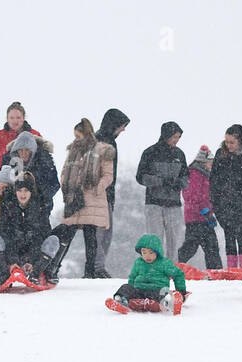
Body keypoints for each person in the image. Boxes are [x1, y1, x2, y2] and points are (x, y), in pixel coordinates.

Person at [53, 117, 114, 280]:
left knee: (90, 235)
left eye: (79, 136)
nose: (76, 140)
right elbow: (65, 171)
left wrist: (96, 188)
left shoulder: (102, 150)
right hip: (74, 198)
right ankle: (54, 268)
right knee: (66, 234)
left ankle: (90, 272)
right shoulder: (73, 151)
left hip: (92, 199)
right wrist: (67, 187)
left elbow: (108, 176)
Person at [0, 172, 59, 286]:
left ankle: (36, 274)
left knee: (53, 239)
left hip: (33, 253)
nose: (22, 194)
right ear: (15, 192)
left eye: (26, 191)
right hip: (14, 251)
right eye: (19, 191)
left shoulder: (38, 208)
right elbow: (6, 236)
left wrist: (31, 261)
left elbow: (39, 237)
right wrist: (12, 261)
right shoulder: (9, 207)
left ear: (31, 192)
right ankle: (3, 274)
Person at [210, 125, 242, 267]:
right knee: (229, 238)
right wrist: (215, 203)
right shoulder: (221, 155)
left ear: (240, 141)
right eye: (227, 142)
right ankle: (232, 270)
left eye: (232, 142)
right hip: (224, 205)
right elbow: (214, 181)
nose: (229, 145)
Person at [136, 122, 188, 260]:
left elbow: (186, 177)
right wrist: (160, 181)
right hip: (154, 203)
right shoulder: (150, 152)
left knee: (174, 241)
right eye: (174, 137)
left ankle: (171, 268)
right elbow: (140, 177)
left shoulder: (180, 154)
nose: (176, 140)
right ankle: (154, 269)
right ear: (166, 135)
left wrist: (179, 183)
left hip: (174, 204)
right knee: (155, 240)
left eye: (179, 137)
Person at [105, 233, 187, 313]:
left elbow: (178, 274)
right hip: (140, 290)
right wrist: (130, 289)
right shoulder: (138, 262)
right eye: (144, 252)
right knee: (125, 288)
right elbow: (133, 277)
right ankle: (120, 301)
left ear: (157, 252)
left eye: (151, 252)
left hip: (157, 290)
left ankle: (173, 301)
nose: (147, 256)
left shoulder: (164, 263)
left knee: (163, 294)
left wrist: (181, 291)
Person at [93, 107, 130, 276]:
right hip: (99, 193)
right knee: (101, 232)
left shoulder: (109, 141)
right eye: (122, 126)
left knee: (106, 232)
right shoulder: (100, 141)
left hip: (107, 193)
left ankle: (98, 266)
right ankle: (96, 267)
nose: (123, 129)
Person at [0, 102, 41, 199]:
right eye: (12, 118)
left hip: (30, 192)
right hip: (5, 190)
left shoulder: (34, 136)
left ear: (24, 118)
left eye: (18, 118)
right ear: (7, 118)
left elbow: (43, 164)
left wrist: (39, 193)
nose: (15, 121)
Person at [176, 145, 222, 269]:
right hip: (195, 218)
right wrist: (205, 211)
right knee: (192, 246)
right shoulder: (194, 174)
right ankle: (178, 265)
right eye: (210, 162)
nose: (212, 165)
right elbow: (192, 197)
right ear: (203, 162)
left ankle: (215, 271)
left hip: (204, 218)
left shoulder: (205, 174)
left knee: (211, 247)